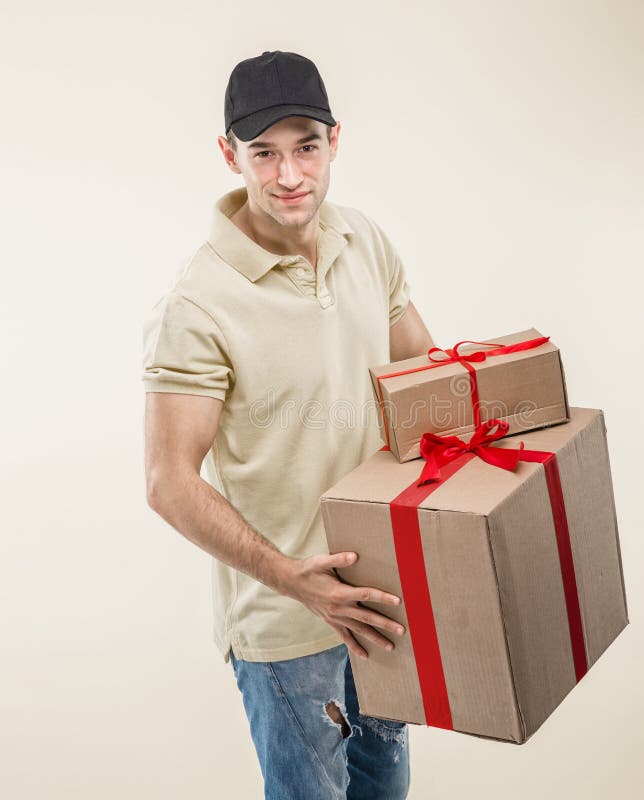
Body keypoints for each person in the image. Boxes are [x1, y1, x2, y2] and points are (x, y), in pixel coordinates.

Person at [141, 50, 435, 799]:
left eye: (305, 146)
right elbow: (168, 482)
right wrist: (295, 582)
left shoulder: (364, 241)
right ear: (228, 154)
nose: (288, 176)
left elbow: (423, 374)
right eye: (262, 153)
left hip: (381, 607)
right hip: (284, 631)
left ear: (335, 141)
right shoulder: (198, 304)